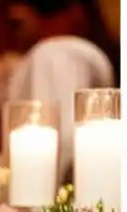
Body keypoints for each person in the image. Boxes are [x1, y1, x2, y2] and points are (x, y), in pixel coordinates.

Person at [7, 0, 117, 183]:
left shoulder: (56, 52)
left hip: (54, 192)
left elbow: (62, 141)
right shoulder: (62, 53)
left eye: (17, 23)